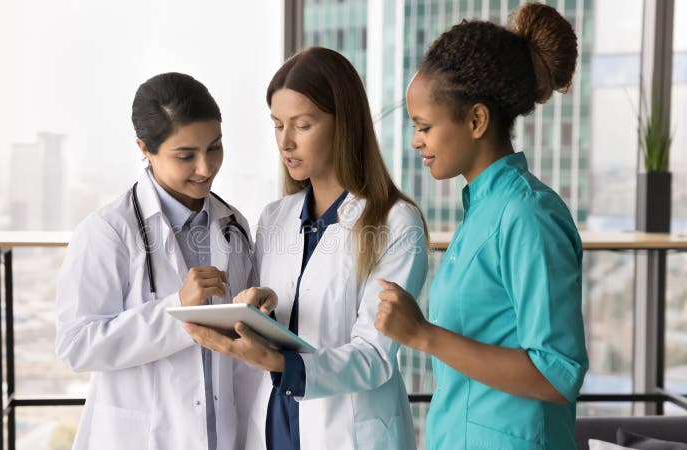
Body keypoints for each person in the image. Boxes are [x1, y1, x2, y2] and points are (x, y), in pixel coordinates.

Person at [184, 47, 429, 450]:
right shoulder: (275, 217)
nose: (286, 142)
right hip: (275, 428)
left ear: (344, 124)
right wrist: (260, 306)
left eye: (303, 125)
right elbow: (285, 321)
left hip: (348, 433)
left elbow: (376, 357)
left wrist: (279, 363)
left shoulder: (395, 222)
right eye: (278, 125)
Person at [374, 3, 589, 449]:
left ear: (476, 120)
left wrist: (422, 335)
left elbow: (557, 372)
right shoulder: (481, 212)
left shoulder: (530, 216)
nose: (416, 140)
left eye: (424, 127)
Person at [54, 72, 262, 450]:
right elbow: (77, 344)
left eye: (214, 148)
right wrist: (177, 309)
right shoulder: (108, 231)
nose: (205, 168)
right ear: (144, 149)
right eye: (185, 156)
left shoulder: (234, 225)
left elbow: (240, 355)